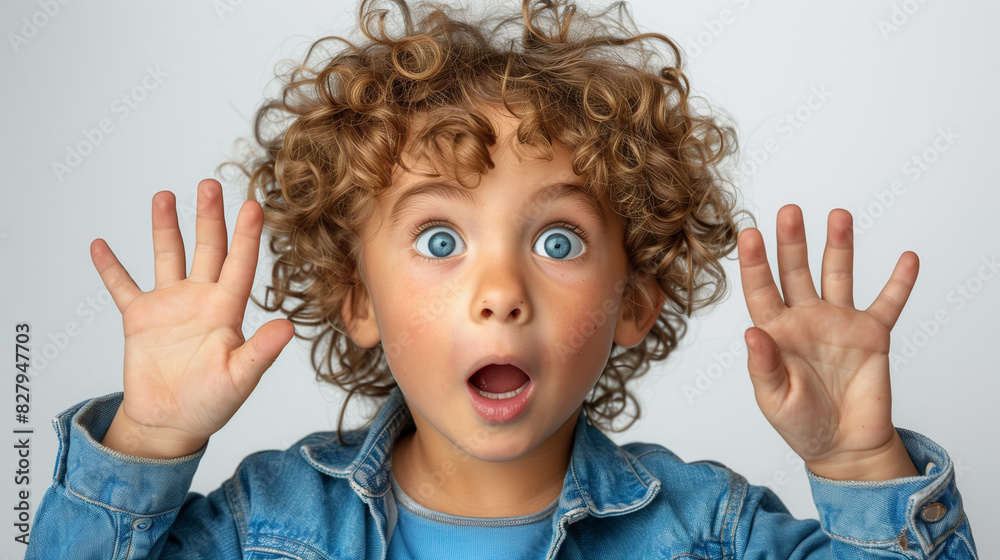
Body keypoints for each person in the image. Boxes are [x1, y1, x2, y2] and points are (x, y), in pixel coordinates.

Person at [26, 0, 976, 558]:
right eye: (440, 241)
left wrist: (859, 466)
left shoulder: (711, 531)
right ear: (357, 298)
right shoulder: (266, 523)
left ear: (634, 300)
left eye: (558, 242)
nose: (500, 288)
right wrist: (146, 441)